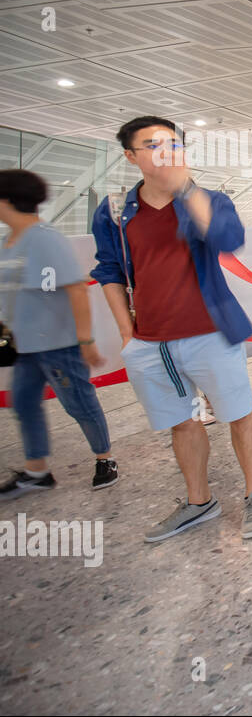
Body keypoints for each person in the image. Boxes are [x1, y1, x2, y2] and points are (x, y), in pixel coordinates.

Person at [91, 117, 252, 542]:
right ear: (131, 156)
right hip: (151, 341)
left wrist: (185, 189)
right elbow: (109, 270)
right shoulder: (116, 211)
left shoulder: (209, 199)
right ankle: (199, 500)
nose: (166, 150)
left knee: (237, 413)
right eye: (152, 144)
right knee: (182, 422)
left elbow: (227, 238)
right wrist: (126, 332)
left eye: (173, 142)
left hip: (210, 331)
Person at [0, 170, 118, 498]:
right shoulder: (8, 242)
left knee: (79, 404)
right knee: (23, 403)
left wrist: (85, 340)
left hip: (58, 344)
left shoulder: (44, 239)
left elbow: (74, 291)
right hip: (25, 345)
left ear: (8, 201)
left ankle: (105, 458)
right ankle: (37, 471)